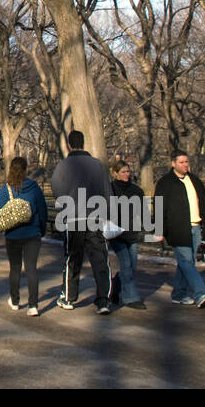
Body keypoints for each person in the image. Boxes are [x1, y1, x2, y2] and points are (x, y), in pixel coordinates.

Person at [50, 130, 114, 314]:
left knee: (73, 257)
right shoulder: (97, 165)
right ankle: (103, 299)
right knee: (100, 259)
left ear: (69, 145)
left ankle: (69, 296)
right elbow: (107, 191)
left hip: (73, 218)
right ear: (84, 143)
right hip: (95, 217)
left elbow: (57, 190)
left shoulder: (64, 165)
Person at [153, 153, 205, 307]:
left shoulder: (194, 180)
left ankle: (179, 293)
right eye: (181, 162)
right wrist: (159, 229)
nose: (185, 165)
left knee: (187, 262)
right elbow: (159, 206)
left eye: (187, 161)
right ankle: (201, 294)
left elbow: (204, 202)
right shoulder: (165, 182)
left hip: (195, 227)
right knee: (186, 261)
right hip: (177, 229)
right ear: (173, 164)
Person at [0, 156, 49, 315]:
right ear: (26, 169)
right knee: (31, 269)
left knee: (15, 268)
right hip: (32, 234)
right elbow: (43, 210)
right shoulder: (34, 187)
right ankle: (33, 305)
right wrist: (41, 229)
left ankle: (15, 300)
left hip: (13, 235)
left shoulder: (7, 188)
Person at [108, 159, 147, 309]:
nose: (127, 174)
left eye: (128, 171)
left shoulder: (136, 190)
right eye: (123, 172)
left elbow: (143, 211)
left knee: (132, 267)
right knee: (125, 264)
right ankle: (131, 298)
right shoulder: (110, 190)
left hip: (132, 232)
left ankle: (113, 290)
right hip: (117, 234)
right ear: (115, 173)